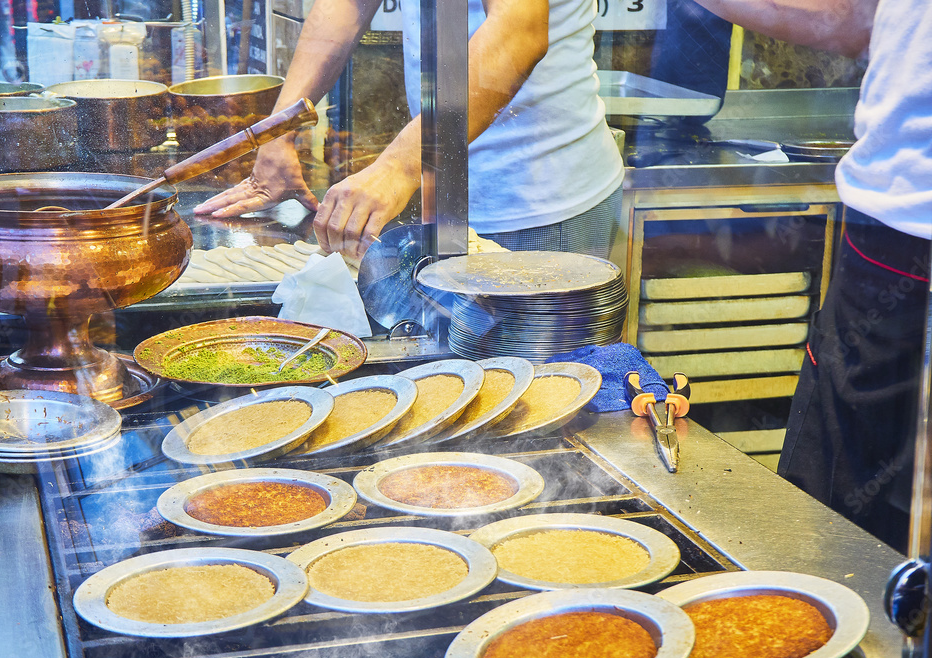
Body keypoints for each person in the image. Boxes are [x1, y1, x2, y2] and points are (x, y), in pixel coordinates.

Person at [692, 0, 932, 553]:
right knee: (835, 524)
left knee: (832, 533)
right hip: (890, 234)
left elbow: (849, 20)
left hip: (900, 225)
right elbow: (853, 21)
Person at [194, 0, 625, 261]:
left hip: (534, 197)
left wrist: (396, 169)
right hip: (439, 182)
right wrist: (278, 131)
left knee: (529, 380)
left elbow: (519, 31)